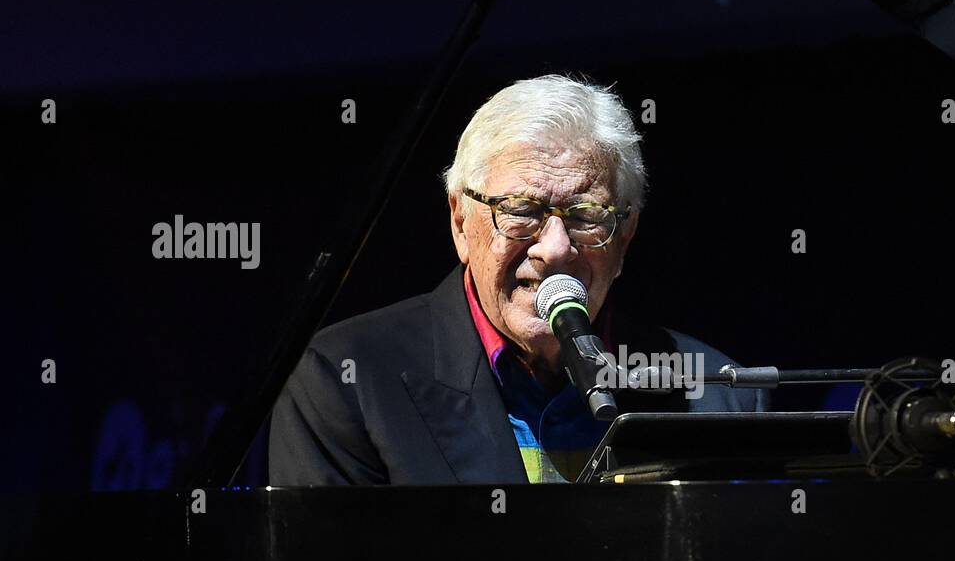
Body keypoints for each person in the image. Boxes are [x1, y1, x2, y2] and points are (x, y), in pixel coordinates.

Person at [269, 74, 766, 486]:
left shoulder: (717, 394)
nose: (554, 248)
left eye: (586, 214)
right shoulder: (342, 381)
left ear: (626, 236)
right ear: (460, 222)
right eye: (521, 210)